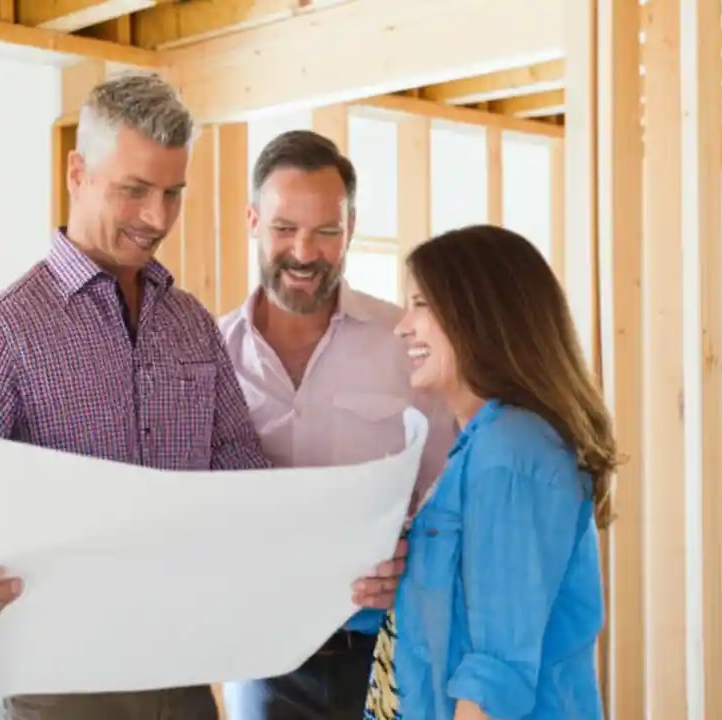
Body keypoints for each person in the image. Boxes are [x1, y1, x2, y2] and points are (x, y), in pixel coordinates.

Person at [0, 73, 401, 720]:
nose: (157, 218)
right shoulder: (2, 332)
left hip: (183, 677)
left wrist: (351, 558)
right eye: (134, 190)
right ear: (77, 174)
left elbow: (245, 483)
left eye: (172, 193)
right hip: (56, 688)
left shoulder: (191, 325)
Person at [218, 129, 455, 720]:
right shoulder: (209, 355)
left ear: (350, 228)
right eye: (284, 228)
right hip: (259, 658)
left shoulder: (405, 344)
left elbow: (451, 498)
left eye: (326, 230)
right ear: (252, 221)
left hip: (388, 651)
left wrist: (409, 560)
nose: (304, 252)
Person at [364, 224, 615, 720]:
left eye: (421, 304)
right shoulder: (482, 443)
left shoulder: (511, 450)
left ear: (479, 316)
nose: (402, 327)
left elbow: (495, 675)